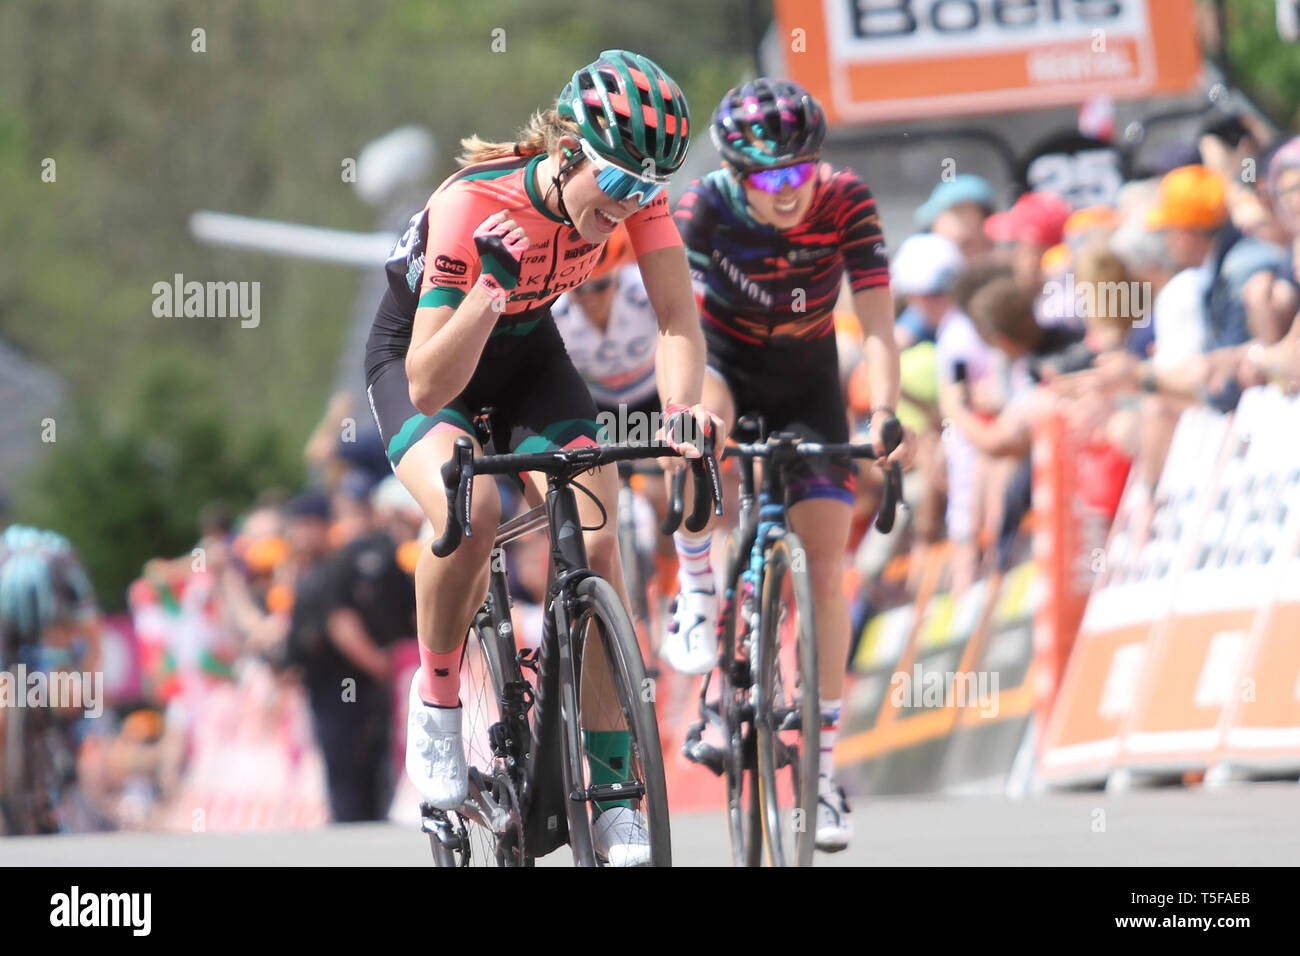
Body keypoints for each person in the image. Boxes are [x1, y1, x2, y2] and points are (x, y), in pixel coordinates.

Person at [363, 50, 714, 865]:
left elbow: (675, 322)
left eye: (644, 192)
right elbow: (424, 382)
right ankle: (440, 703)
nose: (628, 205)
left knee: (599, 543)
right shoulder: (472, 204)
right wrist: (489, 293)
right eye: (618, 185)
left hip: (530, 359)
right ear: (565, 154)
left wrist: (685, 410)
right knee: (472, 510)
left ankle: (613, 790)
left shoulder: (641, 197)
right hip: (430, 359)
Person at [668, 77, 910, 853]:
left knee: (827, 562)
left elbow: (877, 321)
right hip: (723, 363)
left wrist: (883, 411)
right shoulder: (702, 204)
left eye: (799, 172)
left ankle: (827, 774)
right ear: (737, 174)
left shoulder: (846, 199)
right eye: (767, 178)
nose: (786, 191)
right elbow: (674, 318)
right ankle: (699, 588)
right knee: (700, 428)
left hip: (809, 378)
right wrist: (681, 408)